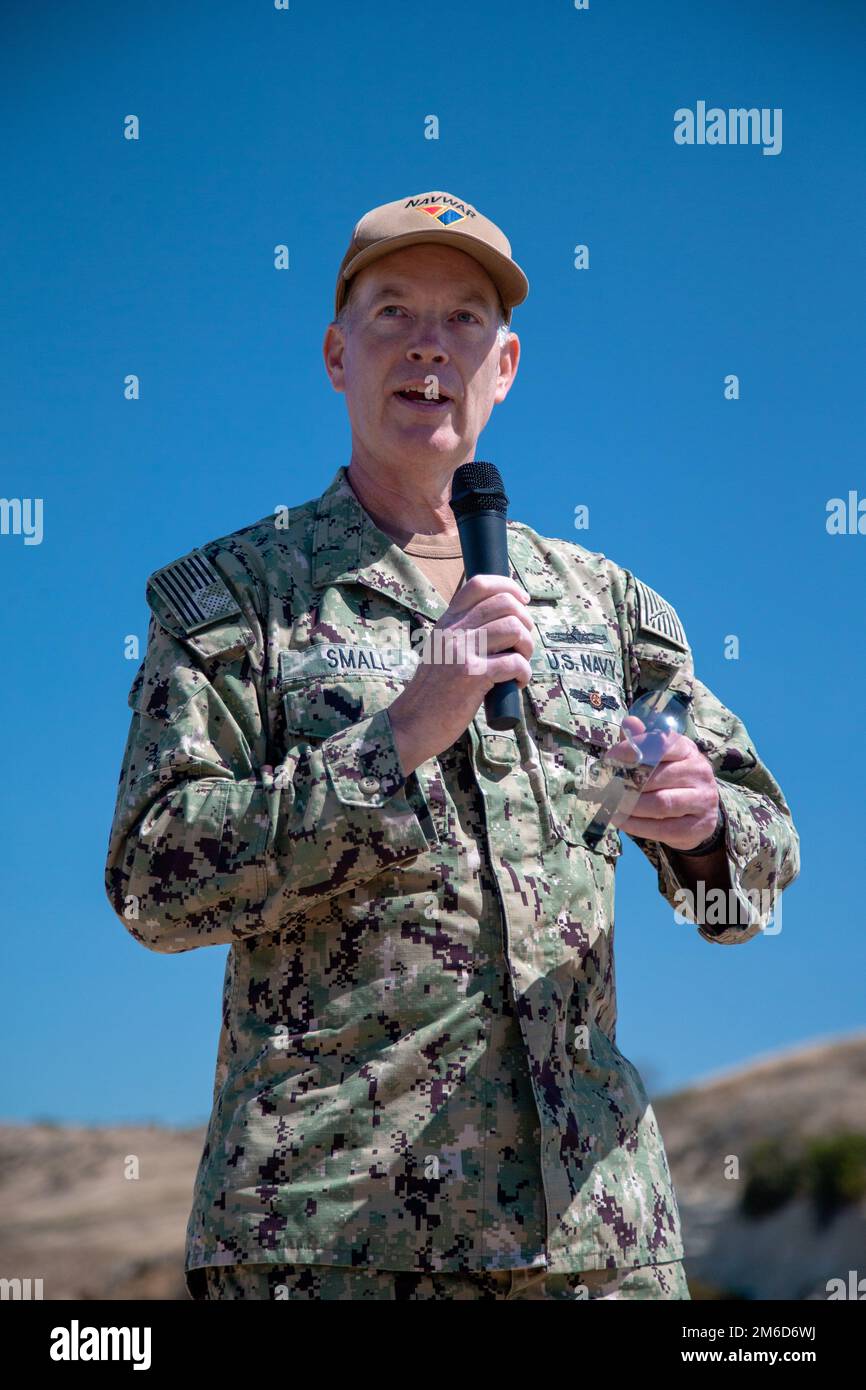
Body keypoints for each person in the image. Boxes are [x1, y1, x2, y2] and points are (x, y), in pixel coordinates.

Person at [104, 189, 800, 1302]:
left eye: (464, 318)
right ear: (338, 355)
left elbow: (757, 878)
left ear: (505, 363)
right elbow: (153, 881)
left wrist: (705, 826)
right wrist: (397, 738)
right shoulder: (234, 600)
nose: (429, 343)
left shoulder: (607, 609)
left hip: (595, 1243)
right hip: (331, 1236)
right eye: (392, 312)